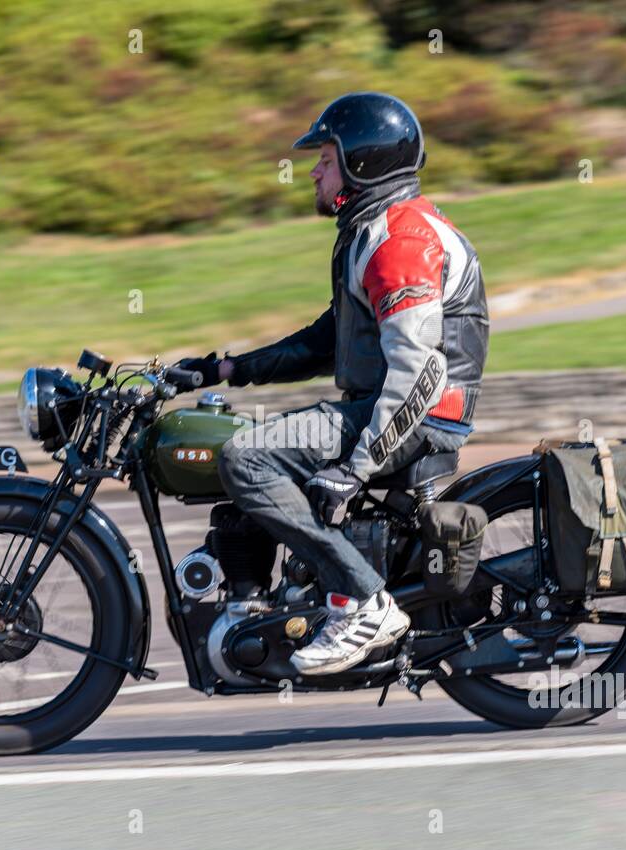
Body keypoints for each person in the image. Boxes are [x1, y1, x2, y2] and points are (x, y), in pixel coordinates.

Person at [177, 92, 488, 675]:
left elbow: (420, 371)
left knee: (248, 457)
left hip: (417, 415)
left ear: (363, 162)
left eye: (326, 156)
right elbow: (329, 339)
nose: (314, 171)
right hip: (388, 406)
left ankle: (363, 603)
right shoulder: (369, 233)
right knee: (256, 448)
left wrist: (357, 468)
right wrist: (227, 369)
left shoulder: (400, 242)